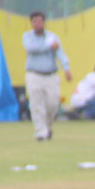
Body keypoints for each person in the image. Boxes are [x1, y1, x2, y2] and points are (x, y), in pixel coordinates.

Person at [22, 11, 72, 141]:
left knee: (53, 103)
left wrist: (66, 68)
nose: (38, 24)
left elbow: (60, 52)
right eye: (35, 22)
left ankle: (47, 127)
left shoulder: (52, 37)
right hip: (34, 74)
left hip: (51, 75)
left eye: (40, 21)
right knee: (36, 104)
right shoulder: (28, 37)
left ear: (44, 22)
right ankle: (40, 132)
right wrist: (48, 45)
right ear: (31, 23)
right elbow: (31, 48)